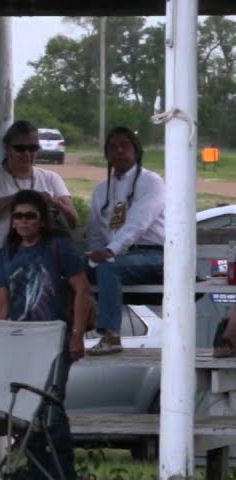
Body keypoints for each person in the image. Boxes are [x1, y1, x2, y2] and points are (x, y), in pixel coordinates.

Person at [0, 189, 91, 480]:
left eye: (29, 215)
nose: (22, 222)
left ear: (42, 219)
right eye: (17, 216)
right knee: (25, 406)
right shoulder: (7, 252)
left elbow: (82, 290)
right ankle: (38, 476)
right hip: (21, 339)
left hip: (55, 336)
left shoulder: (59, 246)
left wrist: (76, 334)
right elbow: (1, 299)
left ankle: (63, 476)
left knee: (51, 406)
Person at [85, 126, 165, 356]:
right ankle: (69, 332)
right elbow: (97, 233)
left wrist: (110, 251)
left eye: (125, 146)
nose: (119, 151)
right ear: (106, 155)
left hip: (154, 255)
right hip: (118, 256)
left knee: (109, 268)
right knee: (71, 270)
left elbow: (138, 223)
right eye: (112, 147)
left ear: (136, 151)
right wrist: (94, 253)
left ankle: (110, 336)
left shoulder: (151, 182)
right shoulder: (102, 190)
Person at [0, 120, 78, 283]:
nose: (27, 153)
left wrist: (53, 203)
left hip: (41, 254)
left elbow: (73, 220)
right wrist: (16, 199)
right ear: (7, 148)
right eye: (20, 148)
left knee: (75, 270)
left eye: (33, 148)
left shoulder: (51, 178)